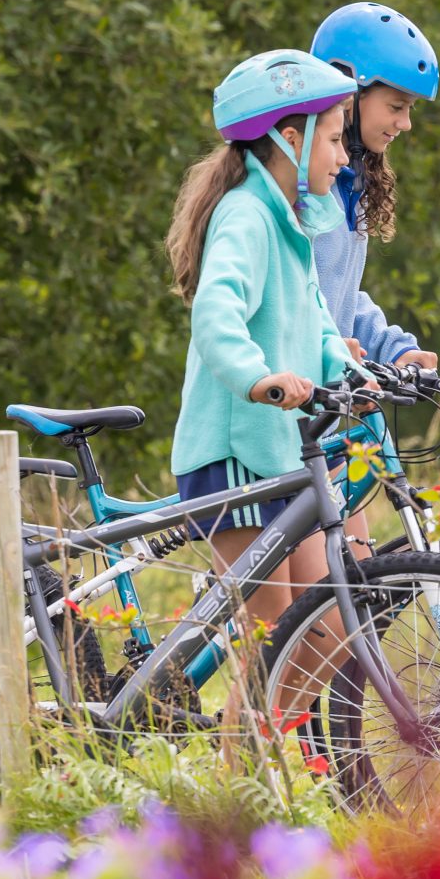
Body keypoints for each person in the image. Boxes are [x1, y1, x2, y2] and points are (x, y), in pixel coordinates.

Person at [165, 48, 358, 641]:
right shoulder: (247, 216)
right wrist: (259, 378)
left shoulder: (290, 221)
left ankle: (270, 734)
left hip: (278, 452)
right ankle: (246, 738)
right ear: (291, 140)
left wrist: (350, 370)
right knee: (269, 644)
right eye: (333, 140)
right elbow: (217, 315)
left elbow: (318, 321)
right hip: (235, 457)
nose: (344, 157)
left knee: (325, 634)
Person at [309, 2, 440, 372]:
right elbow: (294, 296)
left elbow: (340, 297)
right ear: (348, 92)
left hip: (321, 404)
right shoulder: (302, 190)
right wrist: (328, 348)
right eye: (397, 106)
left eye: (410, 109)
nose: (406, 122)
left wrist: (391, 348)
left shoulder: (351, 185)